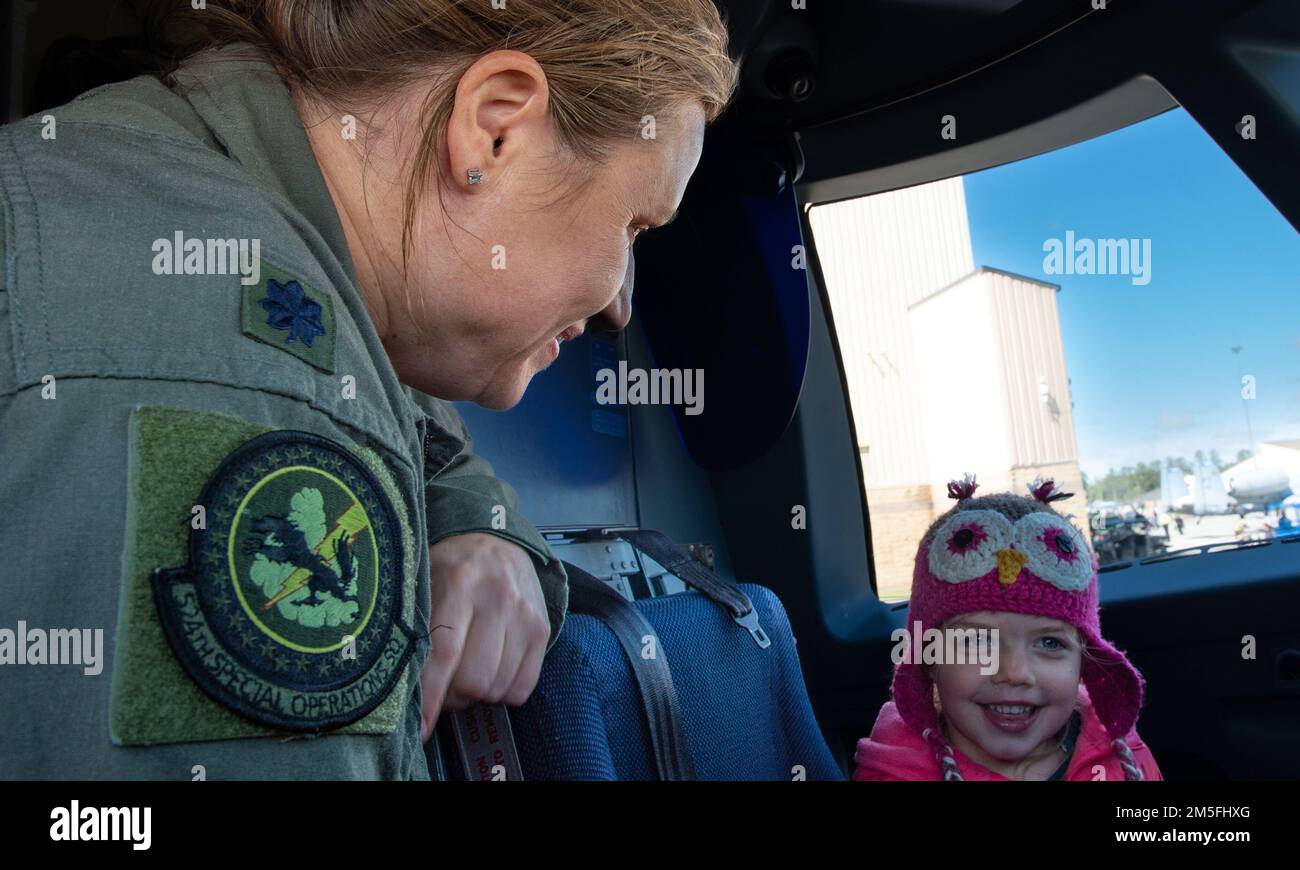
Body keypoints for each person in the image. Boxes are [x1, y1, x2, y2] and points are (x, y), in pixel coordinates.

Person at [0, 0, 737, 778]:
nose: (621, 302)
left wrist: (472, 525)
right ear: (493, 130)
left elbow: (407, 417)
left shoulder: (198, 213)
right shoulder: (233, 380)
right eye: (633, 228)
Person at [854, 475, 1162, 780]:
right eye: (976, 641)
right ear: (929, 659)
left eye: (1050, 643)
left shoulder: (1124, 762)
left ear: (1083, 661)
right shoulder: (891, 773)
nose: (1014, 673)